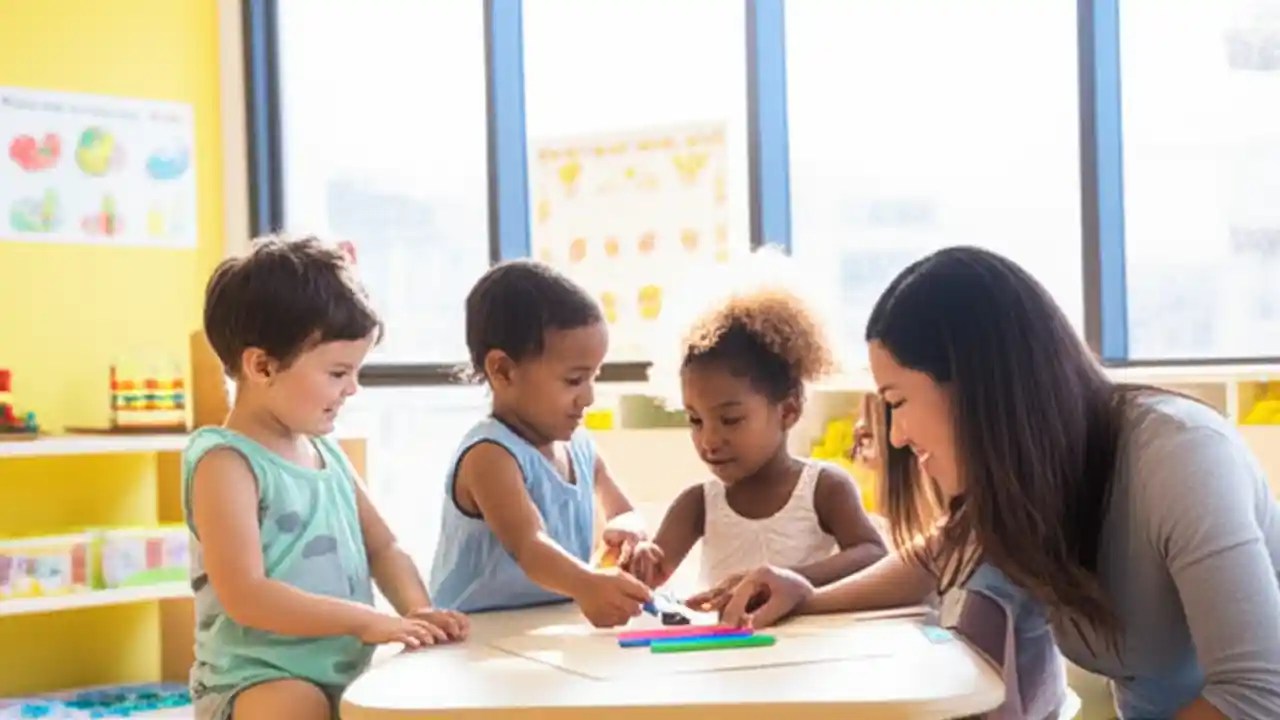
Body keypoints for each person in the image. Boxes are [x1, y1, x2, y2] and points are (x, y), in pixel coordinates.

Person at [695, 246, 1280, 719]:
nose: (895, 435)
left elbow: (1255, 694)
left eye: (898, 402)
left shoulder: (1180, 456)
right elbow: (937, 554)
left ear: (976, 388)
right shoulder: (1038, 484)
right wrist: (809, 596)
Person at [185, 235, 468, 720]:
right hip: (255, 678)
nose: (352, 388)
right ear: (262, 366)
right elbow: (246, 595)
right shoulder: (226, 462)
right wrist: (366, 622)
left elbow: (385, 548)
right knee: (295, 706)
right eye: (338, 372)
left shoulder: (326, 454)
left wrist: (417, 612)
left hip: (345, 671)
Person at [428, 260, 652, 626]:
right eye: (574, 380)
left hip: (547, 623)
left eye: (595, 376)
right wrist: (587, 583)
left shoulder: (579, 447)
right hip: (474, 632)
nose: (589, 397)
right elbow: (529, 545)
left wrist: (632, 533)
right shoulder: (490, 455)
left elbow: (624, 510)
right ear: (502, 370)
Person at [626, 288, 886, 592]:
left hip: (811, 639)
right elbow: (648, 578)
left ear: (788, 411)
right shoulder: (697, 504)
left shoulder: (824, 488)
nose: (708, 440)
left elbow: (873, 553)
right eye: (695, 420)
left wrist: (792, 580)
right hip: (726, 640)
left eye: (730, 420)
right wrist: (641, 561)